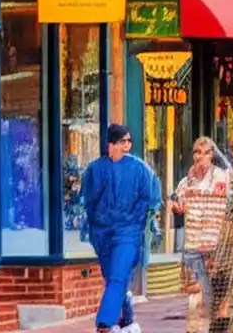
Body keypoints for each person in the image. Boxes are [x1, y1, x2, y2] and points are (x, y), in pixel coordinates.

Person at [83, 124, 160, 333]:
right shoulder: (95, 170)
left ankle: (105, 323)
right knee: (113, 278)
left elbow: (152, 198)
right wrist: (95, 224)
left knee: (117, 275)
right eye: (122, 142)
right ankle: (127, 318)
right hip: (103, 233)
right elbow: (87, 201)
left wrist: (138, 221)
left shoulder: (140, 168)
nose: (127, 146)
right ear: (110, 145)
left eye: (129, 141)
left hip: (128, 232)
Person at [171, 137, 233, 333]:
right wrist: (174, 204)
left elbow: (231, 206)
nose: (200, 157)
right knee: (196, 300)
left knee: (220, 301)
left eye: (205, 152)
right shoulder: (187, 180)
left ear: (212, 155)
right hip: (194, 246)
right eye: (197, 152)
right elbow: (177, 203)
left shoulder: (222, 177)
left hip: (217, 246)